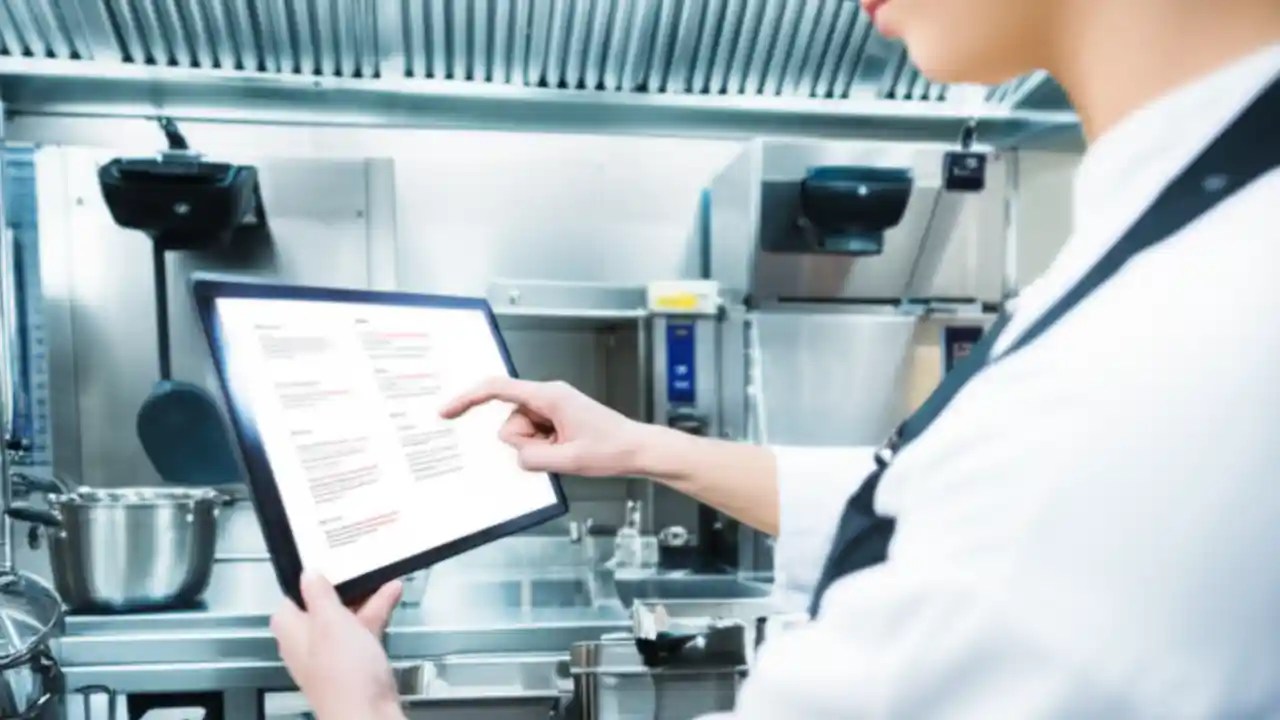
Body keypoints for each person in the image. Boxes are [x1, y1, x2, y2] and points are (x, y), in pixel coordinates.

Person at [270, 0, 1280, 716]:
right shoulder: (1190, 228)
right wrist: (644, 449)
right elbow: (935, 503)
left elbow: (1019, 510)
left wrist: (362, 710)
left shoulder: (1172, 346)